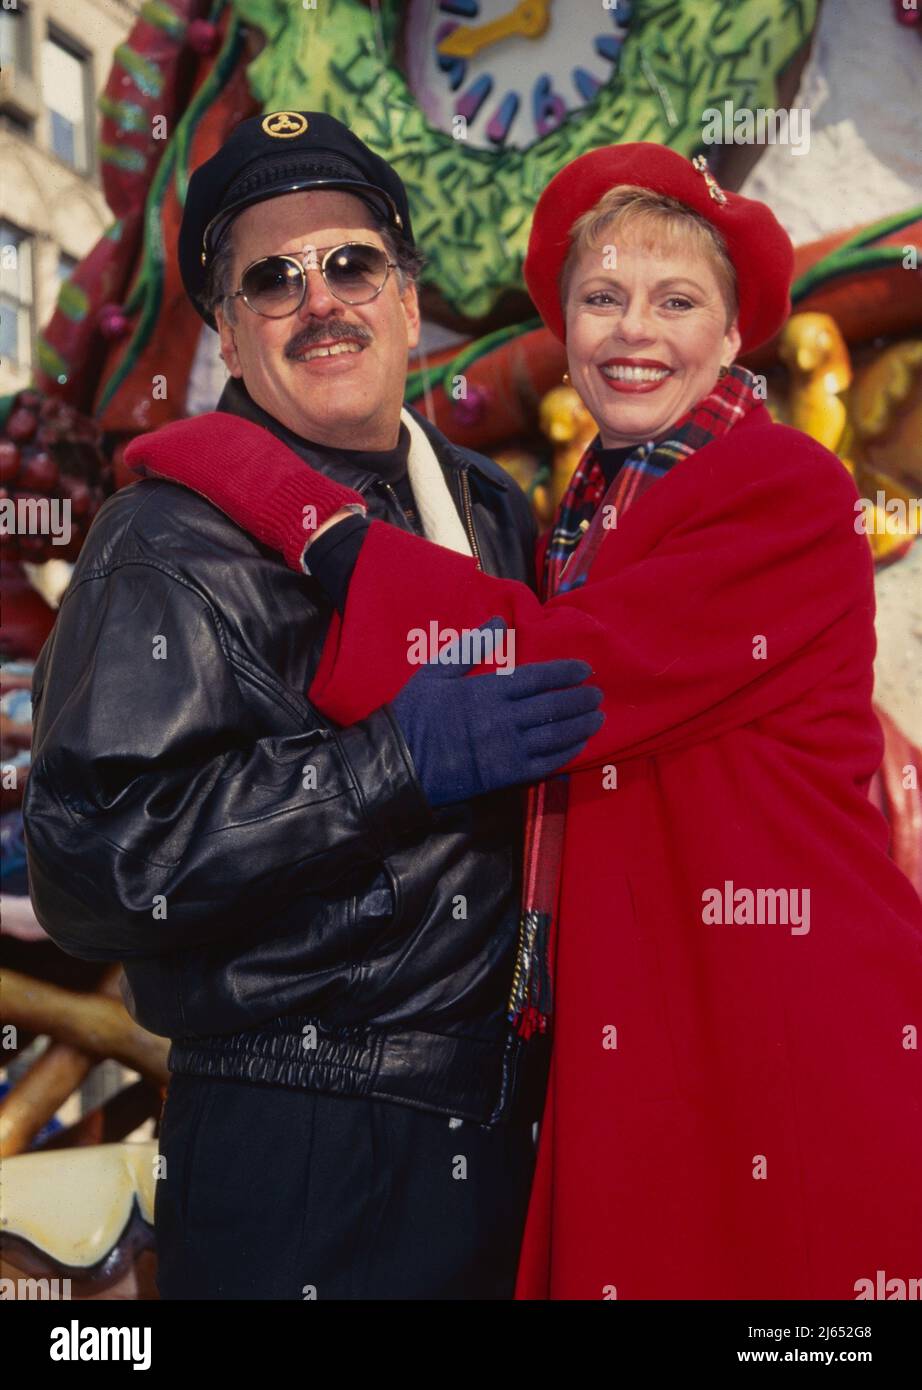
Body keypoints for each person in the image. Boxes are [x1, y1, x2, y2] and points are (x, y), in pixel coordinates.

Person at [137, 143, 922, 1300]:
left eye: (676, 300)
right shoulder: (581, 518)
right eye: (600, 297)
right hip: (658, 1020)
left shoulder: (781, 487)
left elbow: (551, 671)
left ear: (727, 336)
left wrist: (295, 506)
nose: (633, 330)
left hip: (778, 1020)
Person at [21, 111, 605, 1301]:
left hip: (510, 1137)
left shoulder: (496, 511)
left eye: (350, 263)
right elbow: (87, 869)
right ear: (230, 336)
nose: (319, 300)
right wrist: (387, 763)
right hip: (301, 1139)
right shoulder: (163, 539)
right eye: (271, 281)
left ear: (405, 298)